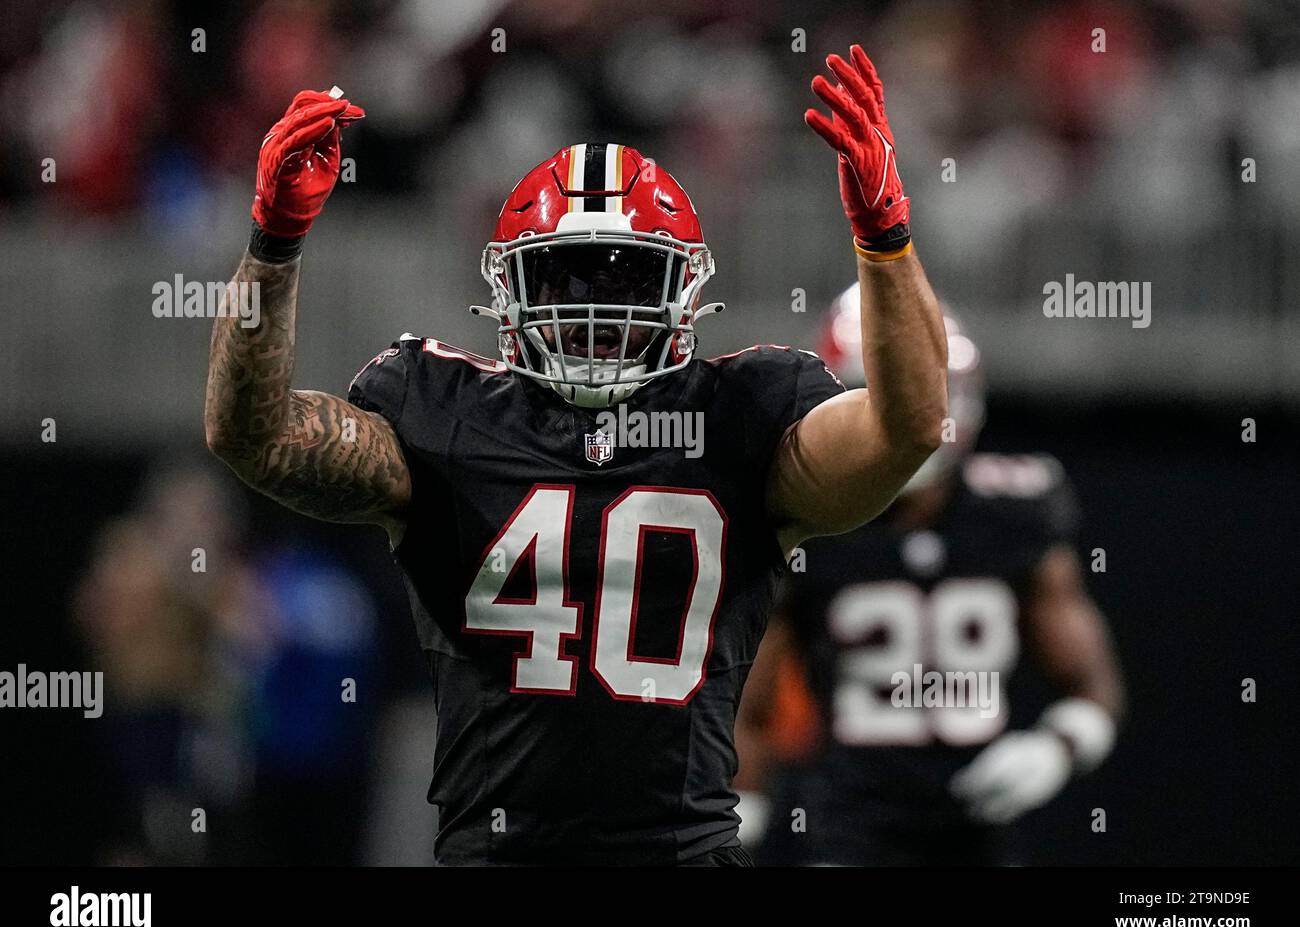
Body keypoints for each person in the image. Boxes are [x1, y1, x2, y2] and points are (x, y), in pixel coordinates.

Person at [204, 47, 948, 865]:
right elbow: (255, 437)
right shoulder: (439, 406)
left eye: (627, 277)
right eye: (565, 276)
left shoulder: (743, 413)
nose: (595, 303)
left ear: (685, 289)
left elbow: (910, 426)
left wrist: (886, 237)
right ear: (511, 288)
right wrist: (272, 248)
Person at [735, 294, 1125, 865]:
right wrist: (739, 820)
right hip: (848, 835)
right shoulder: (806, 522)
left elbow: (1092, 684)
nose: (916, 416)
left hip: (980, 834)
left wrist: (1057, 748)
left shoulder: (1012, 509)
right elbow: (752, 708)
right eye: (891, 397)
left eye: (929, 392)